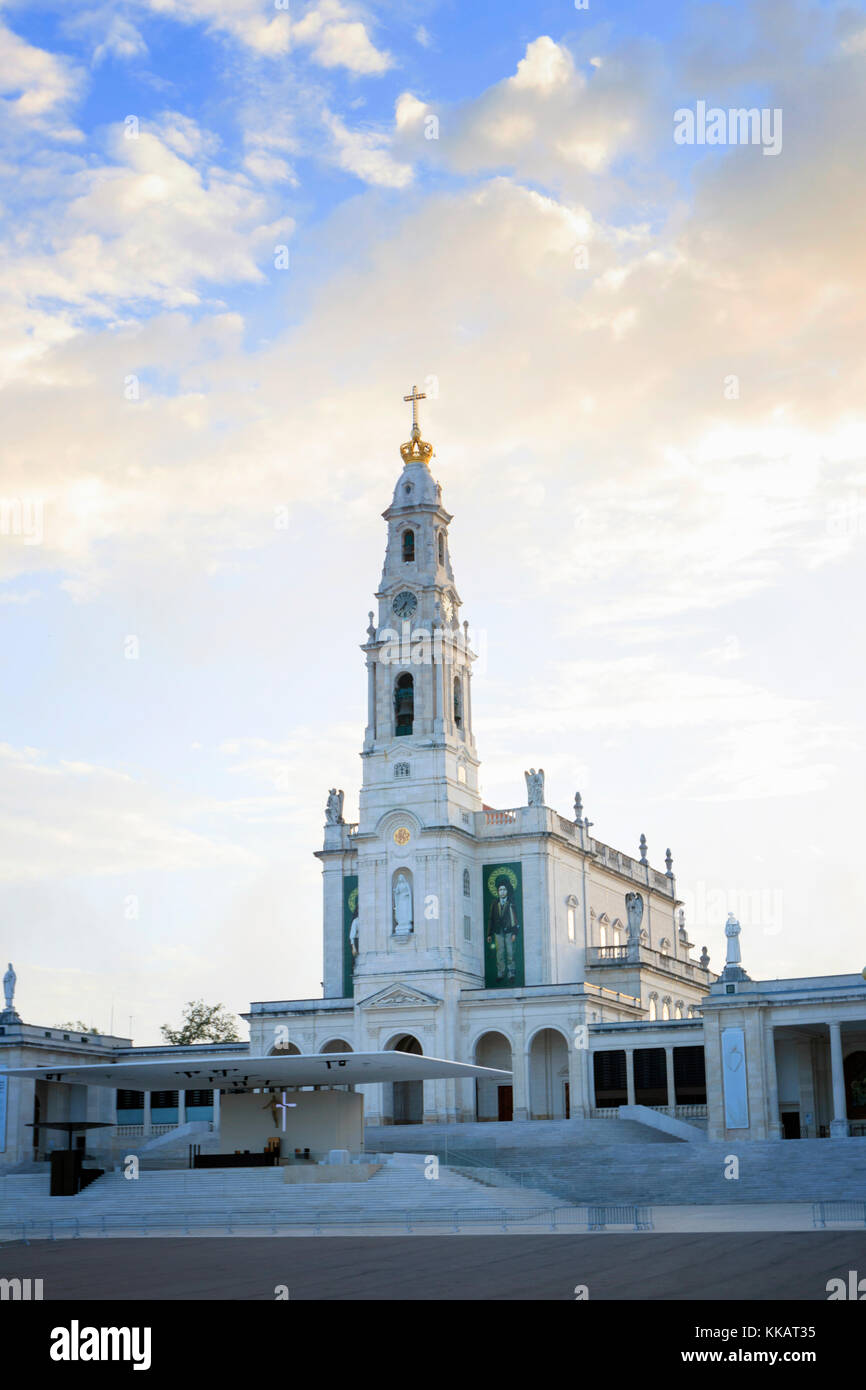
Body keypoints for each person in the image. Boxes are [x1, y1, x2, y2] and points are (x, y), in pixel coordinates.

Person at [487, 879, 519, 982]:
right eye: (500, 890)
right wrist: (489, 934)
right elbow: (491, 919)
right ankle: (500, 972)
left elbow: (514, 918)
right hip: (498, 932)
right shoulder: (494, 903)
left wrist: (514, 932)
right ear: (498, 891)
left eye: (504, 889)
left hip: (509, 931)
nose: (502, 892)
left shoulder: (511, 903)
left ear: (507, 891)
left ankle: (511, 973)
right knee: (499, 953)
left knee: (510, 952)